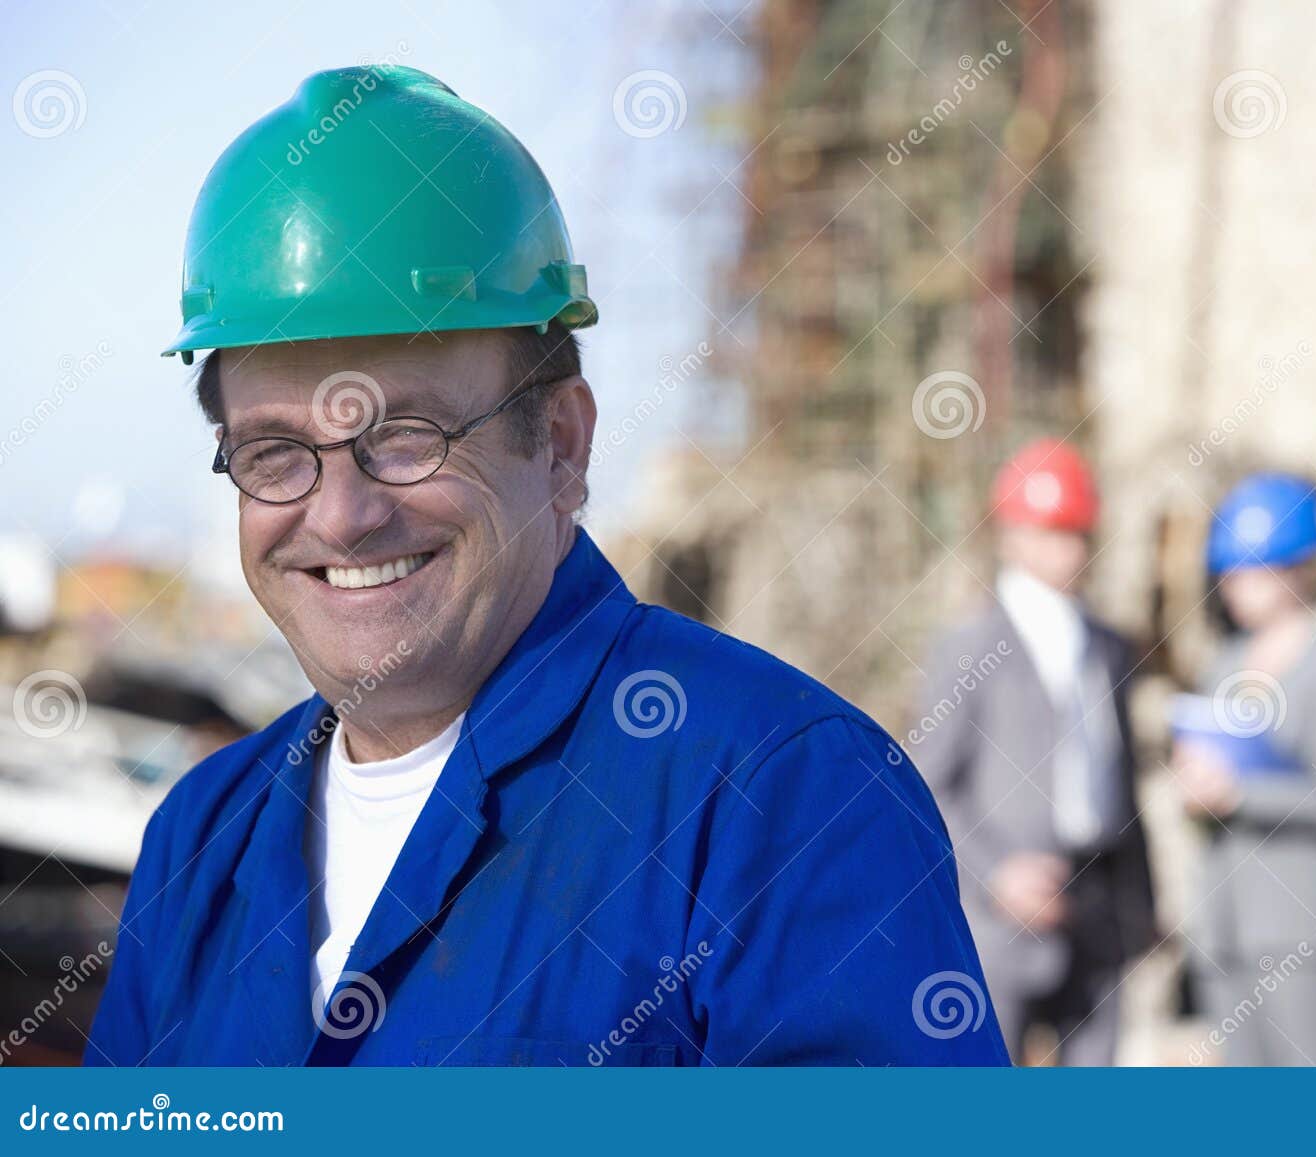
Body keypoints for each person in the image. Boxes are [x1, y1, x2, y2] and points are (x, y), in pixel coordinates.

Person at [86, 66, 1007, 1067]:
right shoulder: (197, 842)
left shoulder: (781, 799)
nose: (342, 516)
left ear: (560, 445)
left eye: (407, 436)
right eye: (274, 454)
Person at [915, 439, 1155, 1064]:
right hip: (1001, 925)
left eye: (1078, 531)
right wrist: (997, 873)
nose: (1068, 548)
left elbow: (1122, 781)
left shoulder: (1107, 646)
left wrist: (1143, 906)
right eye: (1050, 531)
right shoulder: (969, 645)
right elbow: (927, 787)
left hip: (1098, 910)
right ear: (1010, 535)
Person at [1174, 472, 1316, 1066]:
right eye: (1229, 572)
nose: (1235, 587)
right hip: (1225, 932)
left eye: (1252, 569)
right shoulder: (1223, 666)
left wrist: (1237, 794)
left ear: (1298, 571)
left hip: (1302, 932)